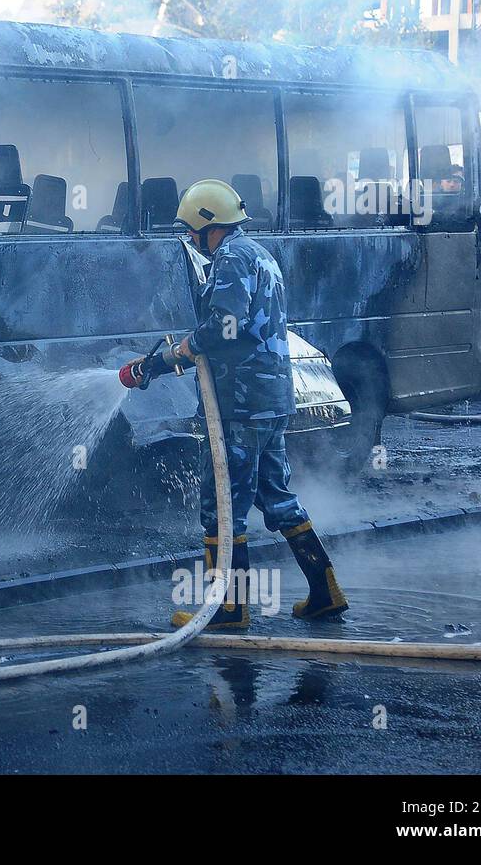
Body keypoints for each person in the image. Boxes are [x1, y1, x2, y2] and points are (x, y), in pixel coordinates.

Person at [122, 180, 348, 629]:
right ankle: (326, 590)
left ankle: (230, 606)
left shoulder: (230, 260)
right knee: (277, 497)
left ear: (211, 225)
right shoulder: (260, 255)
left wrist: (169, 357)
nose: (190, 240)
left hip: (239, 403)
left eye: (193, 231)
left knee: (222, 504)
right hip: (270, 398)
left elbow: (223, 329)